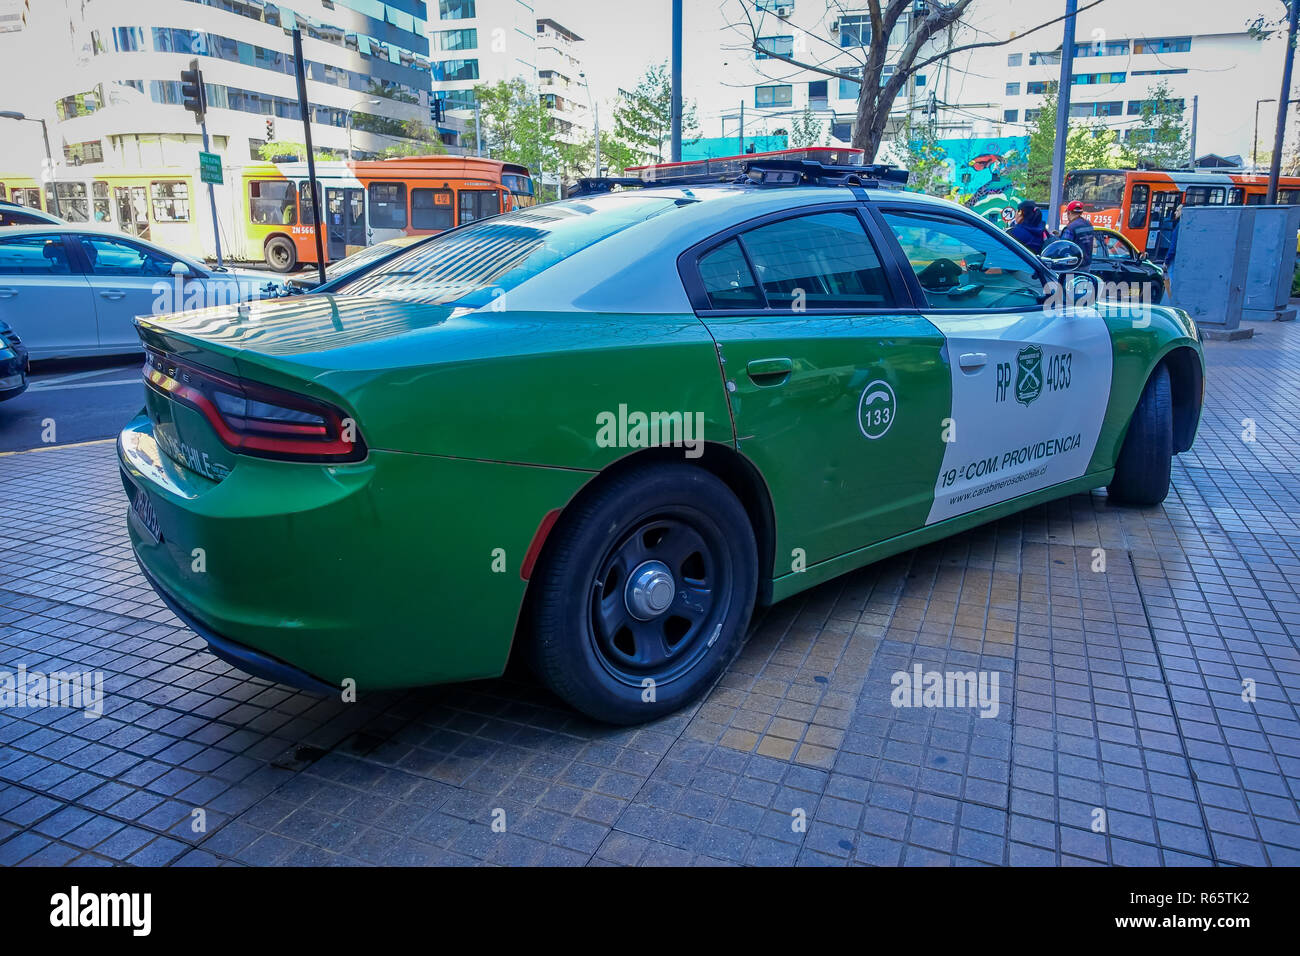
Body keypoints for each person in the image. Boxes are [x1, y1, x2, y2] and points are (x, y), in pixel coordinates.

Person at [1060, 200, 1095, 269]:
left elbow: (1063, 246)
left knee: (1069, 280)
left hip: (1072, 268)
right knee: (1083, 280)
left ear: (1069, 213)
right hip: (1086, 266)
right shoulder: (1088, 224)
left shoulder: (1070, 228)